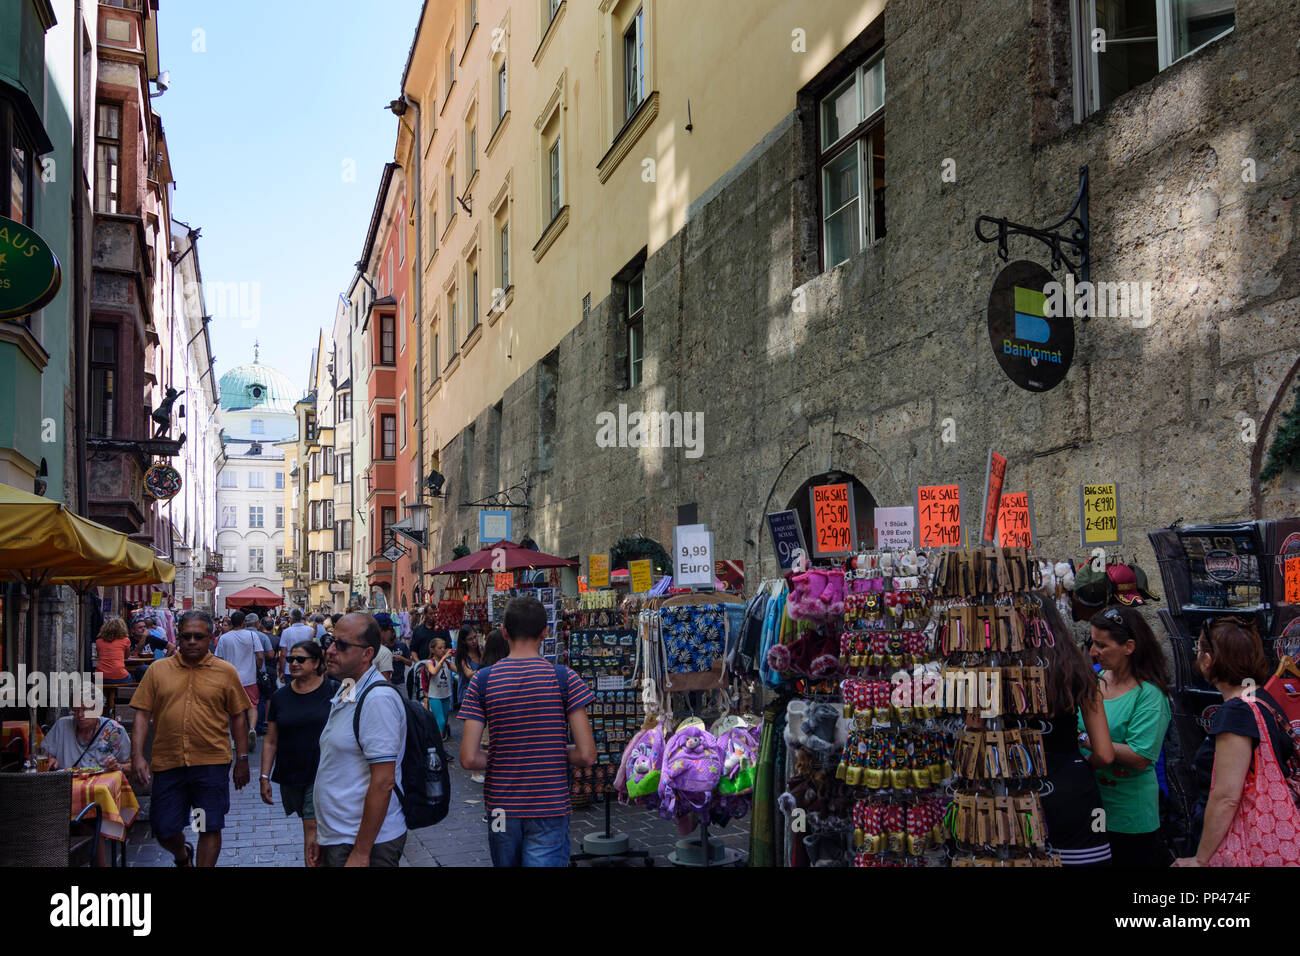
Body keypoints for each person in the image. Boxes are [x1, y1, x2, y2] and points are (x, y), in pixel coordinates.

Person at [458, 596, 596, 867]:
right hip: (549, 804)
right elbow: (587, 754)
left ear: (505, 631)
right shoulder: (564, 679)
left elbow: (468, 759)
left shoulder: (482, 682)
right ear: (545, 632)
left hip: (501, 807)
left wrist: (506, 755)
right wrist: (551, 751)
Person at [129, 610, 252, 867]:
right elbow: (142, 713)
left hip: (209, 765)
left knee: (206, 826)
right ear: (179, 637)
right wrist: (137, 755)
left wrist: (242, 759)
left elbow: (238, 716)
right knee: (164, 827)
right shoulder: (159, 670)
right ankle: (182, 854)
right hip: (169, 765)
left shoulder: (224, 672)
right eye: (186, 636)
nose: (192, 642)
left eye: (199, 636)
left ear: (210, 638)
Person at [1174, 616, 1300, 866]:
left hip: (1240, 840)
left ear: (1208, 661)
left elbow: (1227, 795)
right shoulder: (1262, 700)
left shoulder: (1236, 713)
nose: (1197, 655)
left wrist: (1199, 860)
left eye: (1198, 649)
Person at [1025, 592, 1117, 865]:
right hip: (1072, 789)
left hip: (1019, 791)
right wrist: (1080, 762)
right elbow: (1106, 754)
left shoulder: (1000, 673)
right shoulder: (1078, 670)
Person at [314, 612, 407, 867]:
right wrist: (322, 835)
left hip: (365, 843)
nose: (331, 650)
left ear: (366, 654)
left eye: (342, 645)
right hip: (341, 837)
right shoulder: (350, 688)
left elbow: (383, 781)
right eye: (331, 641)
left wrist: (362, 851)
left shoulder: (377, 700)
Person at [1083, 605, 1172, 867]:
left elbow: (1140, 756)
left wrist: (1086, 740)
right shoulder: (1096, 680)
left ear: (1129, 647)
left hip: (1129, 819)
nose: (1092, 652)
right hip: (1092, 807)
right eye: (1092, 643)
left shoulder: (1149, 695)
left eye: (1101, 645)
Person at [260, 640, 336, 865]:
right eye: (291, 659)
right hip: (292, 773)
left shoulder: (334, 690)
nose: (293, 663)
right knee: (310, 821)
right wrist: (264, 776)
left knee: (311, 825)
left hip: (324, 772)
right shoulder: (280, 697)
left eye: (300, 659)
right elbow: (271, 740)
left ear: (316, 663)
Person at [214, 610, 264, 755]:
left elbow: (218, 659)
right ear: (244, 622)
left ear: (230, 623)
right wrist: (257, 667)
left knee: (233, 711)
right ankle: (252, 729)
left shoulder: (224, 638)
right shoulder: (252, 635)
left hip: (230, 680)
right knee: (252, 705)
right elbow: (260, 656)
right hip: (250, 678)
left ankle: (235, 739)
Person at [94, 616, 144, 685]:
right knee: (129, 677)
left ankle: (103, 694)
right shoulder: (125, 640)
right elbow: (126, 657)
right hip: (119, 675)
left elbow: (99, 656)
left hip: (100, 676)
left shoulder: (98, 641)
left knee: (94, 677)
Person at [422, 635, 455, 741]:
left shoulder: (447, 663)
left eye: (444, 648)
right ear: (432, 650)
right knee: (440, 721)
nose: (443, 650)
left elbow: (459, 670)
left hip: (445, 695)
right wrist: (444, 658)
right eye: (439, 648)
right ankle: (438, 744)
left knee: (443, 721)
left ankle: (436, 738)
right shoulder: (429, 663)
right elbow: (434, 671)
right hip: (434, 696)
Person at [279, 609, 317, 683]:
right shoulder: (310, 630)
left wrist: (282, 671)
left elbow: (283, 654)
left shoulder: (286, 632)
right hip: (306, 666)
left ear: (291, 619)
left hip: (289, 668)